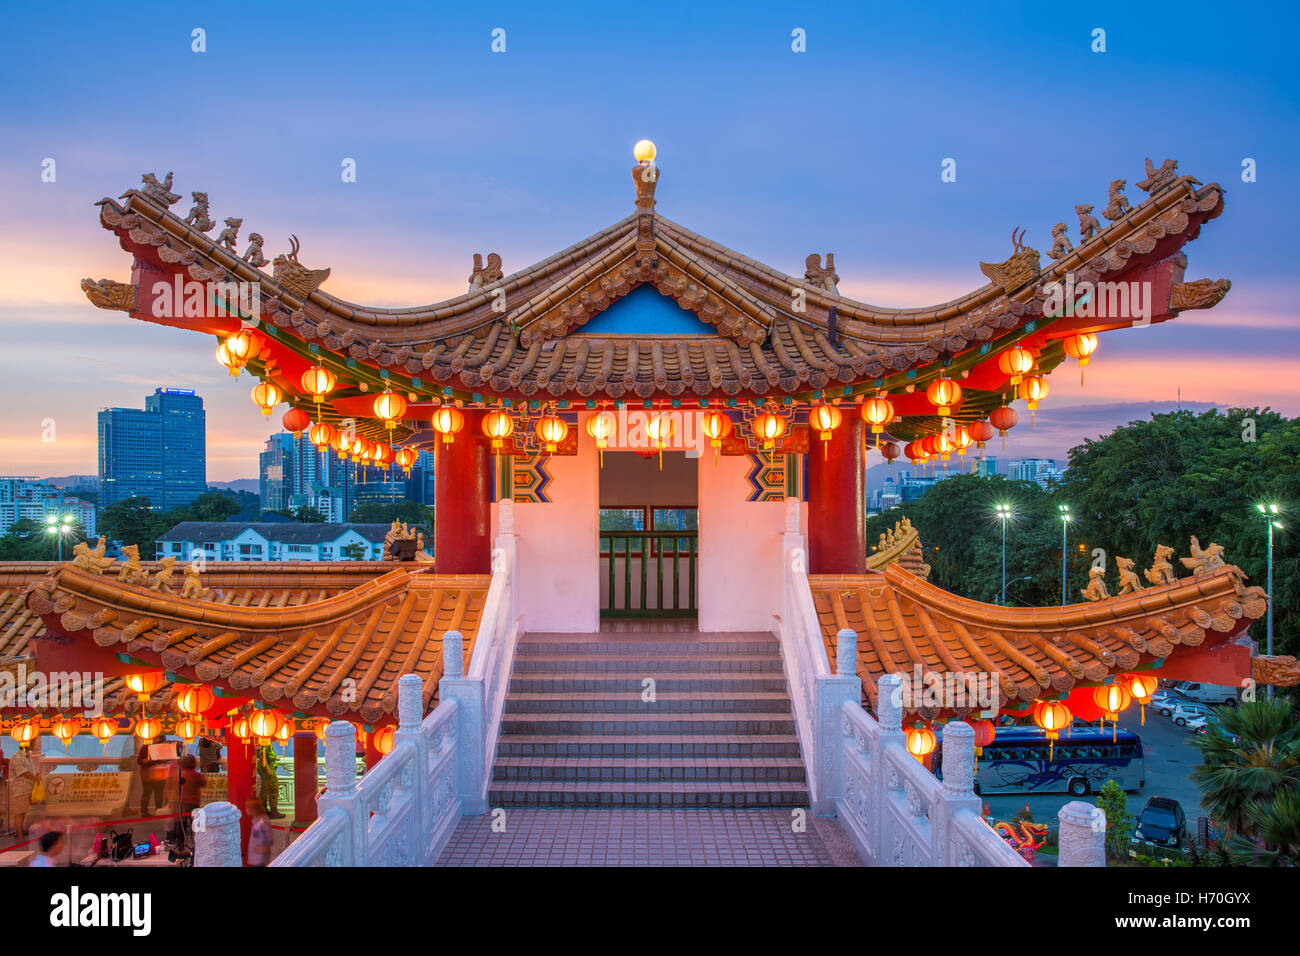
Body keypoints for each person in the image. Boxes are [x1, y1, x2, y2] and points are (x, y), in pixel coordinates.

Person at [7, 747, 38, 839]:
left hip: (27, 788)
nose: (36, 743)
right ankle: (19, 834)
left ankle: (20, 830)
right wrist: (36, 779)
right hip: (20, 790)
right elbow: (24, 772)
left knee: (23, 811)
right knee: (19, 812)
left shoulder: (26, 756)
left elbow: (31, 770)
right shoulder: (17, 757)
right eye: (34, 741)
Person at [137, 736, 170, 816]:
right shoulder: (146, 747)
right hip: (148, 775)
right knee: (147, 793)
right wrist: (152, 760)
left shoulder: (162, 747)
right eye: (158, 738)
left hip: (160, 773)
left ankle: (158, 810)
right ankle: (144, 812)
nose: (159, 740)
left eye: (160, 739)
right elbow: (139, 761)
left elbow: (167, 758)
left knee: (159, 794)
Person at [255, 744, 283, 819]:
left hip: (265, 768)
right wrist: (267, 768)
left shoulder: (263, 741)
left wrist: (275, 758)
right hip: (268, 769)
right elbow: (262, 756)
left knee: (265, 789)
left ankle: (264, 810)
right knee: (273, 789)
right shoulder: (265, 741)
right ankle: (273, 811)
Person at [245, 797, 273, 866]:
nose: (246, 810)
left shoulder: (263, 821)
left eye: (247, 807)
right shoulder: (255, 820)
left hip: (260, 859)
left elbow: (269, 837)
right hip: (254, 857)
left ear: (253, 809)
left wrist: (265, 848)